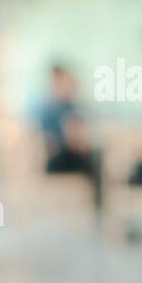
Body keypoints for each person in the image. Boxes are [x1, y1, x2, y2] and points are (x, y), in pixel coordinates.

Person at [37, 64, 102, 208]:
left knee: (98, 157)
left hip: (71, 152)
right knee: (97, 161)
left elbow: (81, 132)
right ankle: (99, 205)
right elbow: (53, 142)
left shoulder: (71, 105)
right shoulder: (49, 108)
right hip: (58, 159)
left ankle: (99, 204)